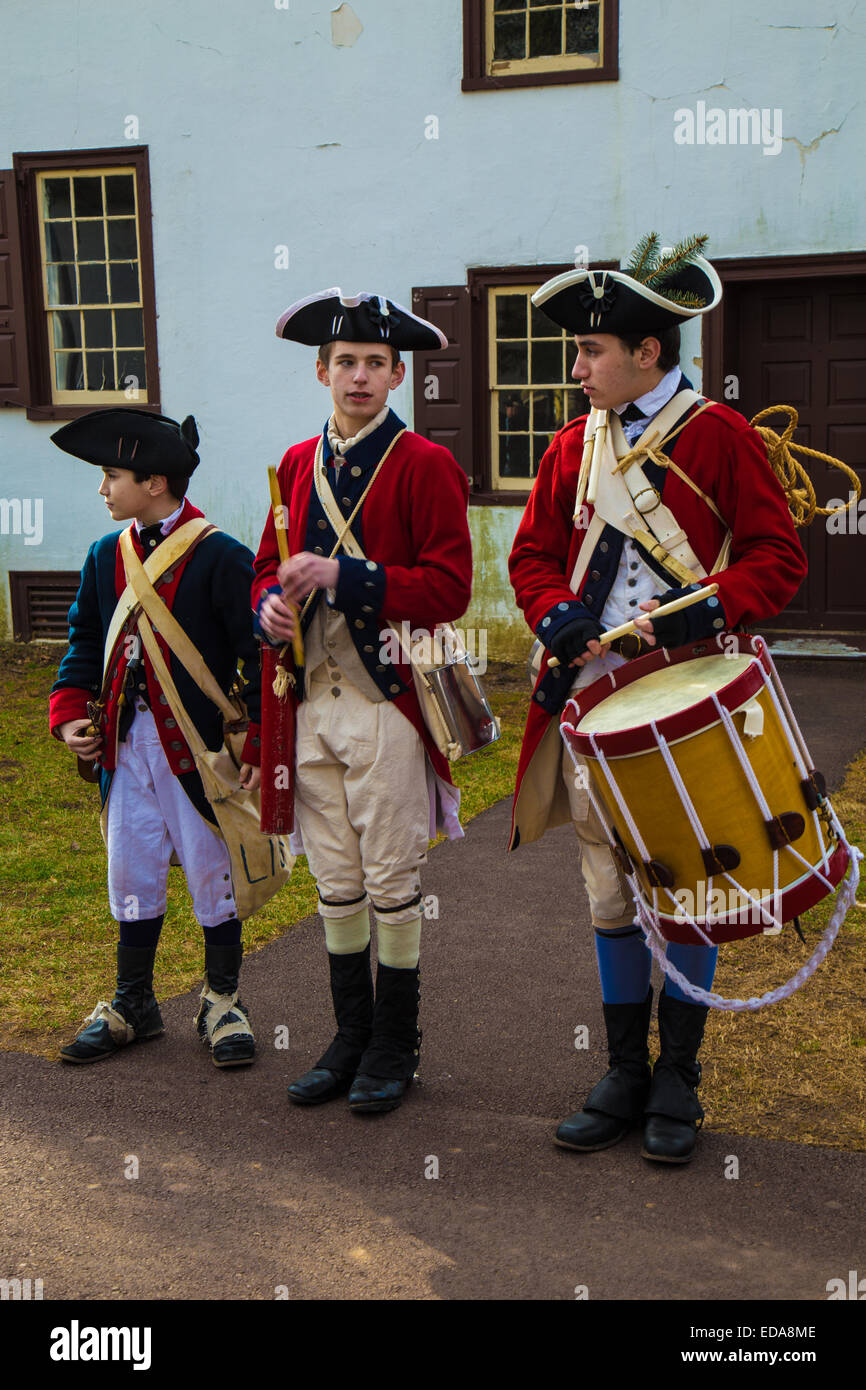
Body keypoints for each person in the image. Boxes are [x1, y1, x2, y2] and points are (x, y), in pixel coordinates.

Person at [508, 236, 808, 1162]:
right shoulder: (571, 449)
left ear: (649, 352)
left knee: (691, 885)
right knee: (607, 892)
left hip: (691, 697)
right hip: (596, 702)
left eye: (591, 350)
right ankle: (624, 1071)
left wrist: (700, 613)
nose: (576, 366)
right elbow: (531, 559)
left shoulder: (718, 435)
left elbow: (778, 559)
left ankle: (681, 1077)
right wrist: (555, 613)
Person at [253, 289, 472, 1114]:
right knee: (336, 882)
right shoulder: (291, 465)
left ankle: (395, 1046)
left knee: (390, 880)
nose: (360, 376)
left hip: (387, 700)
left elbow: (451, 587)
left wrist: (346, 576)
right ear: (321, 371)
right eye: (345, 362)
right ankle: (349, 1036)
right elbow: (265, 567)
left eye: (376, 363)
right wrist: (267, 609)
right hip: (309, 701)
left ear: (397, 374)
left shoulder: (425, 465)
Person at [49, 409, 262, 1067]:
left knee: (211, 871)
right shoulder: (103, 556)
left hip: (195, 751)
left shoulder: (222, 555)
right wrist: (72, 716)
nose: (103, 489)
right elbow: (85, 642)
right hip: (123, 749)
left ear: (155, 481)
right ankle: (133, 1002)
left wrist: (254, 741)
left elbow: (258, 656)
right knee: (133, 870)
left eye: (112, 476)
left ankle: (223, 1000)